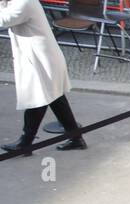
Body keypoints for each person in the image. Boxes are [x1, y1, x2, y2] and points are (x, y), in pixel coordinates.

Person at [1, 0, 86, 154]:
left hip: (42, 60)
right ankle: (76, 138)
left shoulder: (24, 2)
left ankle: (26, 142)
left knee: (39, 98)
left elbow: (3, 20)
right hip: (40, 59)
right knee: (55, 99)